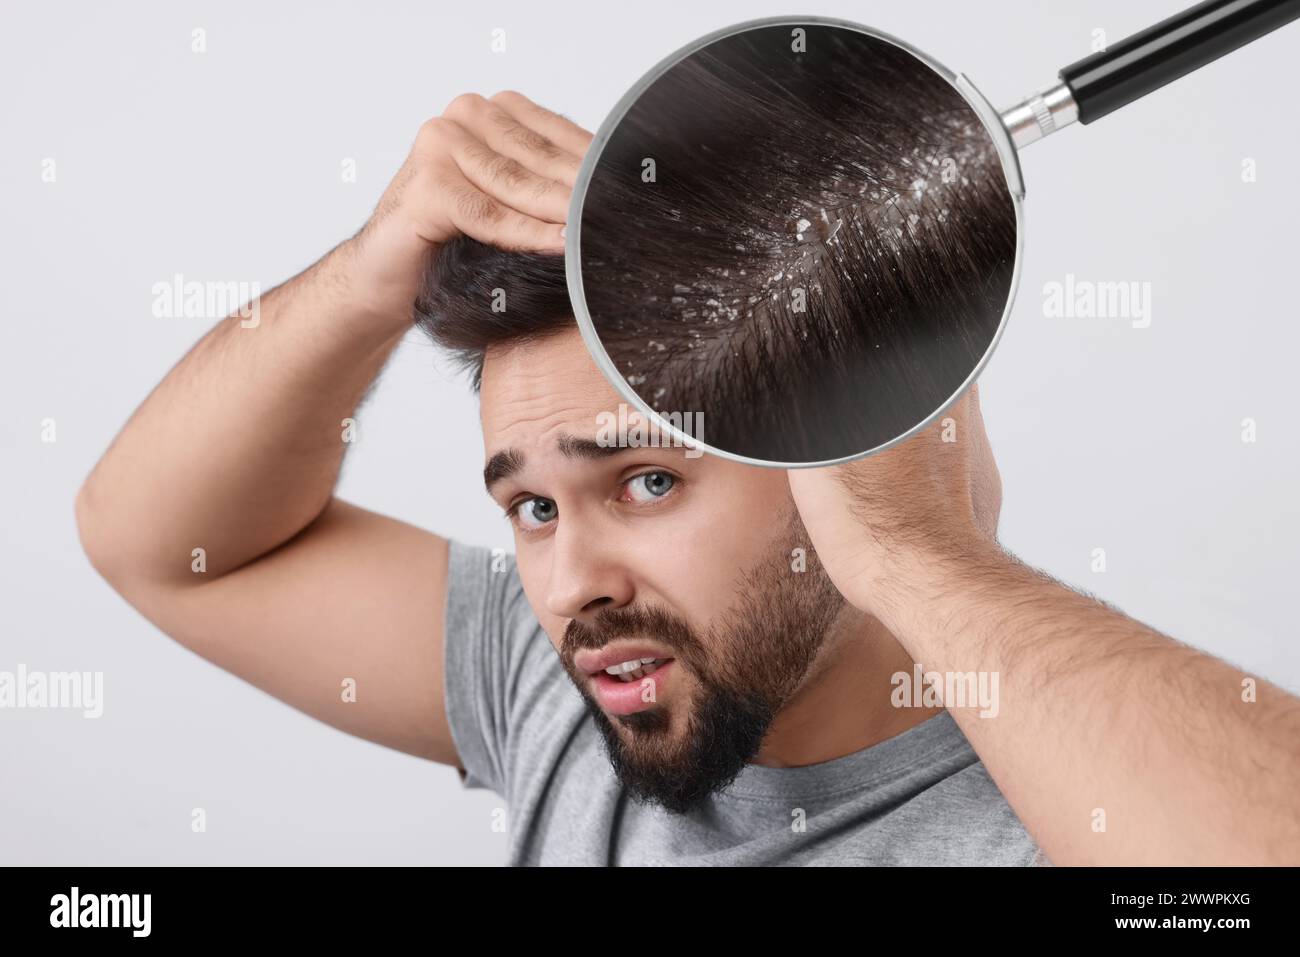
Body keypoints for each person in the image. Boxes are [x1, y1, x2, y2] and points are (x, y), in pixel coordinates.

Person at [76, 90, 1300, 866]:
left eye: (648, 484)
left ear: (855, 448)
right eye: (531, 507)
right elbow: (164, 545)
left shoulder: (1058, 823)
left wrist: (925, 552)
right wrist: (367, 274)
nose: (571, 583)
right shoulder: (564, 690)